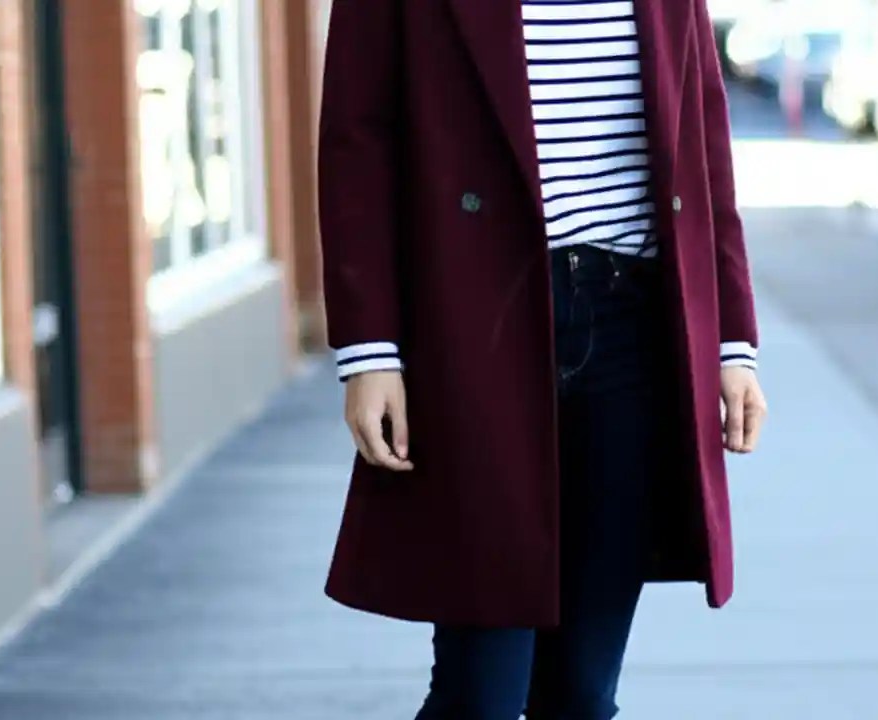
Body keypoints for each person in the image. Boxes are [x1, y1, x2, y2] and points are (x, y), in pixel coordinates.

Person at [317, 0, 767, 717]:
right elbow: (357, 139)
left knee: (581, 694)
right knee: (480, 694)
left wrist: (731, 342)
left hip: (631, 333)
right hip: (477, 333)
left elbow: (701, 133)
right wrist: (370, 350)